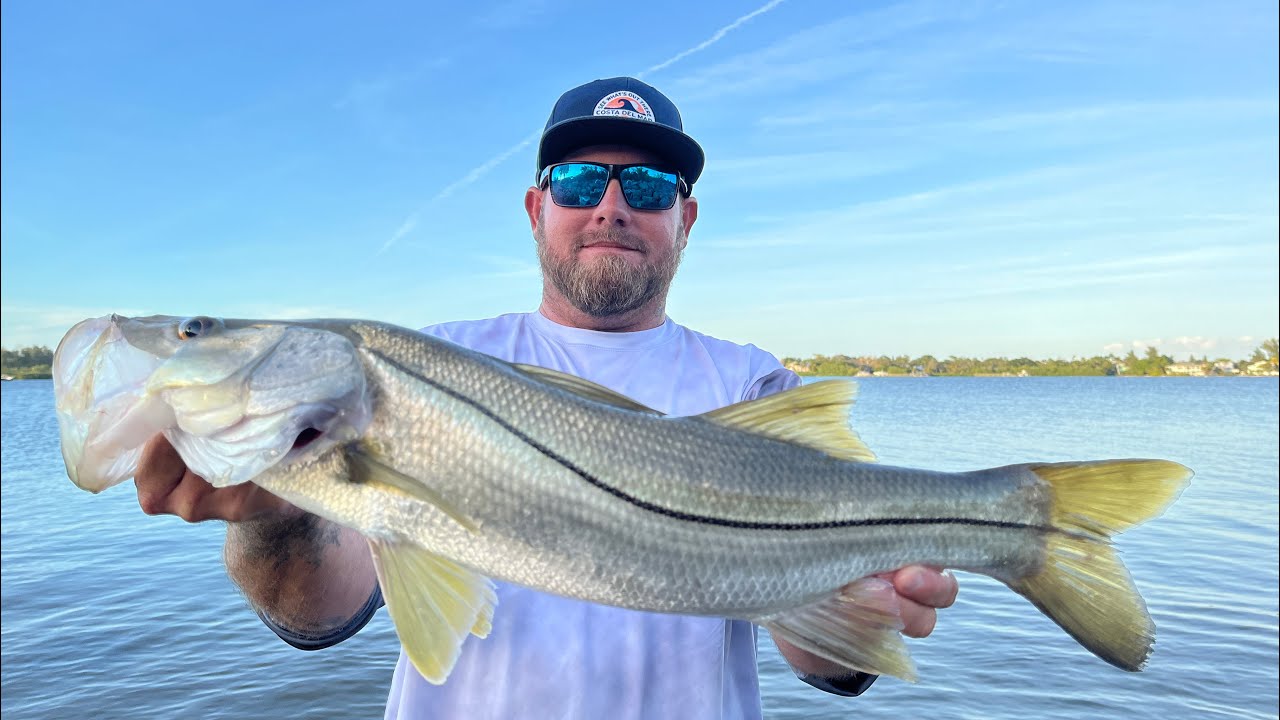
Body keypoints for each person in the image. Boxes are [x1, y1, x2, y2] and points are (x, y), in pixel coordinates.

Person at [135, 77, 959, 719]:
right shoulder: (441, 364)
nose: (609, 207)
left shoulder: (749, 383)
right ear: (537, 208)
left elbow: (826, 661)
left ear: (686, 217)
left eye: (646, 186)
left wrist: (871, 607)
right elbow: (321, 614)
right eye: (576, 182)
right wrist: (269, 515)